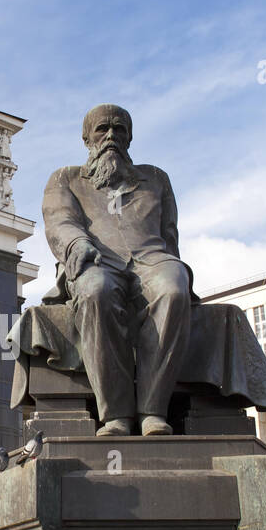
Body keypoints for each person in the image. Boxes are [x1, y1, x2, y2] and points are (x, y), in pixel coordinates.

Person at [42, 103, 192, 436]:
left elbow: (170, 233)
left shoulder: (156, 179)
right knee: (96, 291)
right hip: (96, 259)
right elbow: (60, 222)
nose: (111, 135)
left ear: (130, 137)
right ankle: (116, 416)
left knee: (173, 288)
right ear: (87, 138)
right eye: (102, 129)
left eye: (120, 129)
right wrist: (76, 246)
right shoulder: (65, 178)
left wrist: (172, 264)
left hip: (151, 258)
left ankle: (153, 411)